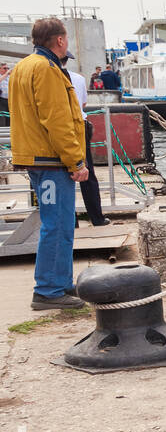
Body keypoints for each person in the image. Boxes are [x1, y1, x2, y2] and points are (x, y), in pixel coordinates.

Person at [7, 17, 89, 310]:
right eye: (66, 39)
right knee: (58, 224)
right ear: (60, 40)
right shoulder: (48, 69)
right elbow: (57, 120)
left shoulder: (23, 67)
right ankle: (49, 290)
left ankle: (60, 282)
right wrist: (76, 160)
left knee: (58, 222)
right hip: (51, 160)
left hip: (36, 157)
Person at [64, 52, 109, 227]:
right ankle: (97, 218)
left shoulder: (49, 78)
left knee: (64, 175)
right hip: (80, 126)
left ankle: (71, 220)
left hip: (59, 127)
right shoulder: (78, 79)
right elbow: (83, 104)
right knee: (87, 171)